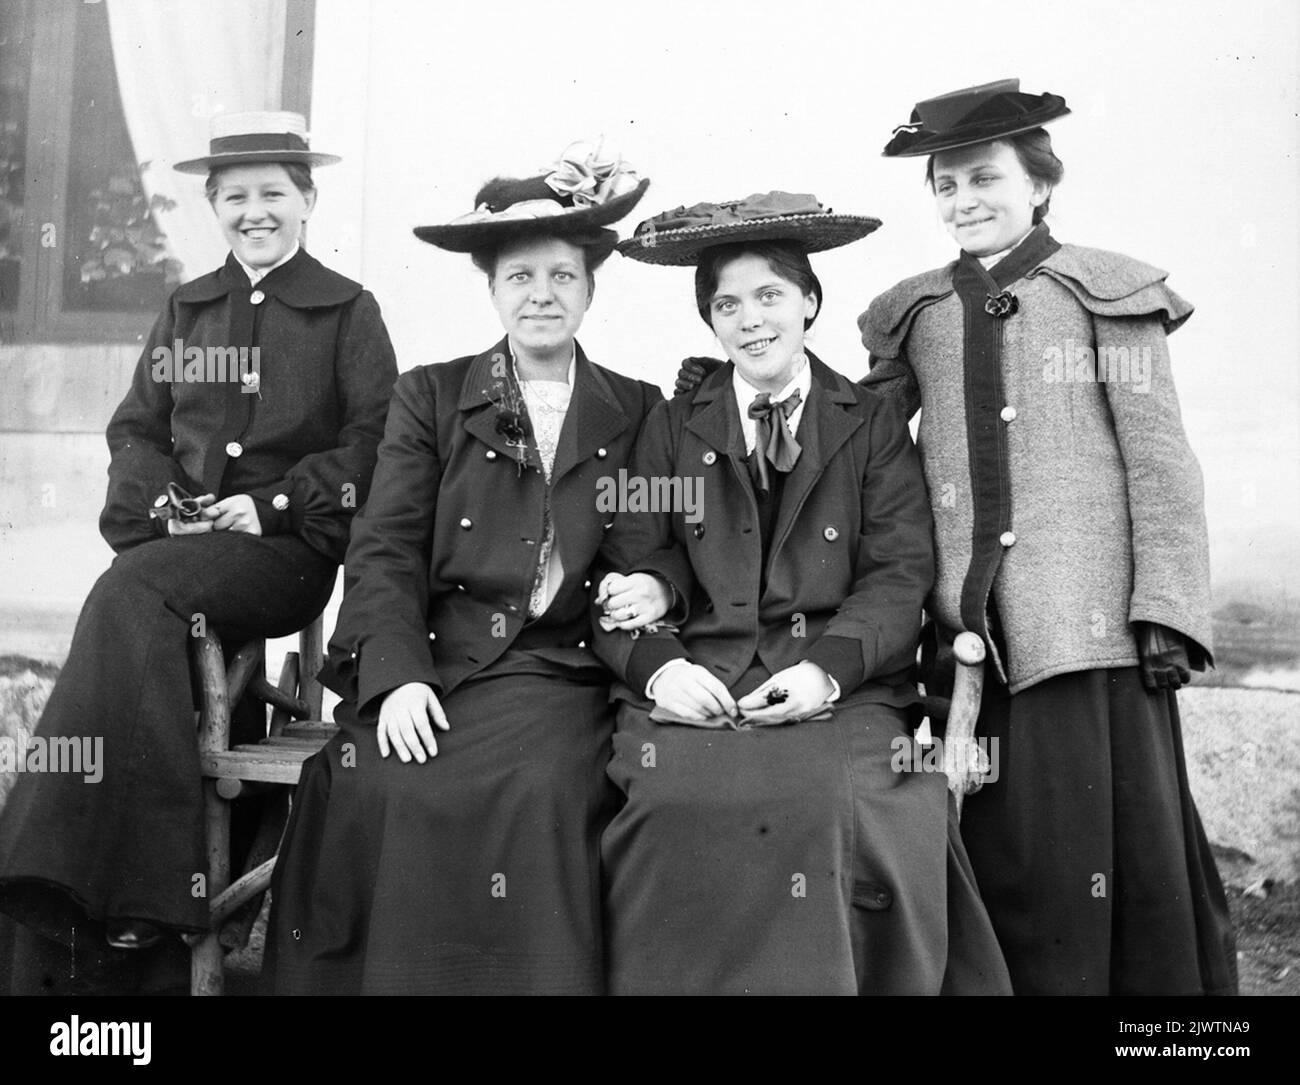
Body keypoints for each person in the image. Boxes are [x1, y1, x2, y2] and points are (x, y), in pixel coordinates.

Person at [0, 111, 397, 993]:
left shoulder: (346, 311)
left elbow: (379, 443)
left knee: (126, 592)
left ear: (307, 200)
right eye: (235, 198)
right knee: (135, 587)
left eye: (273, 194)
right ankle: (127, 896)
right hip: (175, 559)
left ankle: (86, 880)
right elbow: (135, 430)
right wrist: (163, 511)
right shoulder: (188, 308)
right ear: (213, 207)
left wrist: (273, 502)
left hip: (283, 557)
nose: (255, 213)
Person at [856, 80, 1236, 995]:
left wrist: (1165, 617)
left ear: (1039, 184)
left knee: (1109, 875)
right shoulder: (912, 315)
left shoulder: (1109, 291)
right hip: (965, 648)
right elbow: (856, 444)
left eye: (983, 178)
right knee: (997, 873)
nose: (963, 202)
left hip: (1091, 643)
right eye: (944, 187)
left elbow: (1161, 463)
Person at [267, 141, 661, 995]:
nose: (542, 296)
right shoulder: (432, 396)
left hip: (560, 668)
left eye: (562, 275)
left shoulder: (637, 407)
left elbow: (645, 545)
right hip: (440, 657)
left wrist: (653, 583)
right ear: (491, 290)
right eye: (519, 277)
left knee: (542, 789)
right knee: (377, 780)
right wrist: (399, 676)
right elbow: (384, 547)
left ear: (592, 286)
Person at [594, 193, 1011, 995]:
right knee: (671, 799)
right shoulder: (674, 423)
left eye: (770, 296)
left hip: (840, 691)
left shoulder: (871, 423)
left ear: (810, 302)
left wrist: (825, 672)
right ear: (710, 321)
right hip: (701, 680)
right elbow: (630, 558)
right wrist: (657, 668)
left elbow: (898, 573)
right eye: (727, 304)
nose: (750, 320)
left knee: (826, 797)